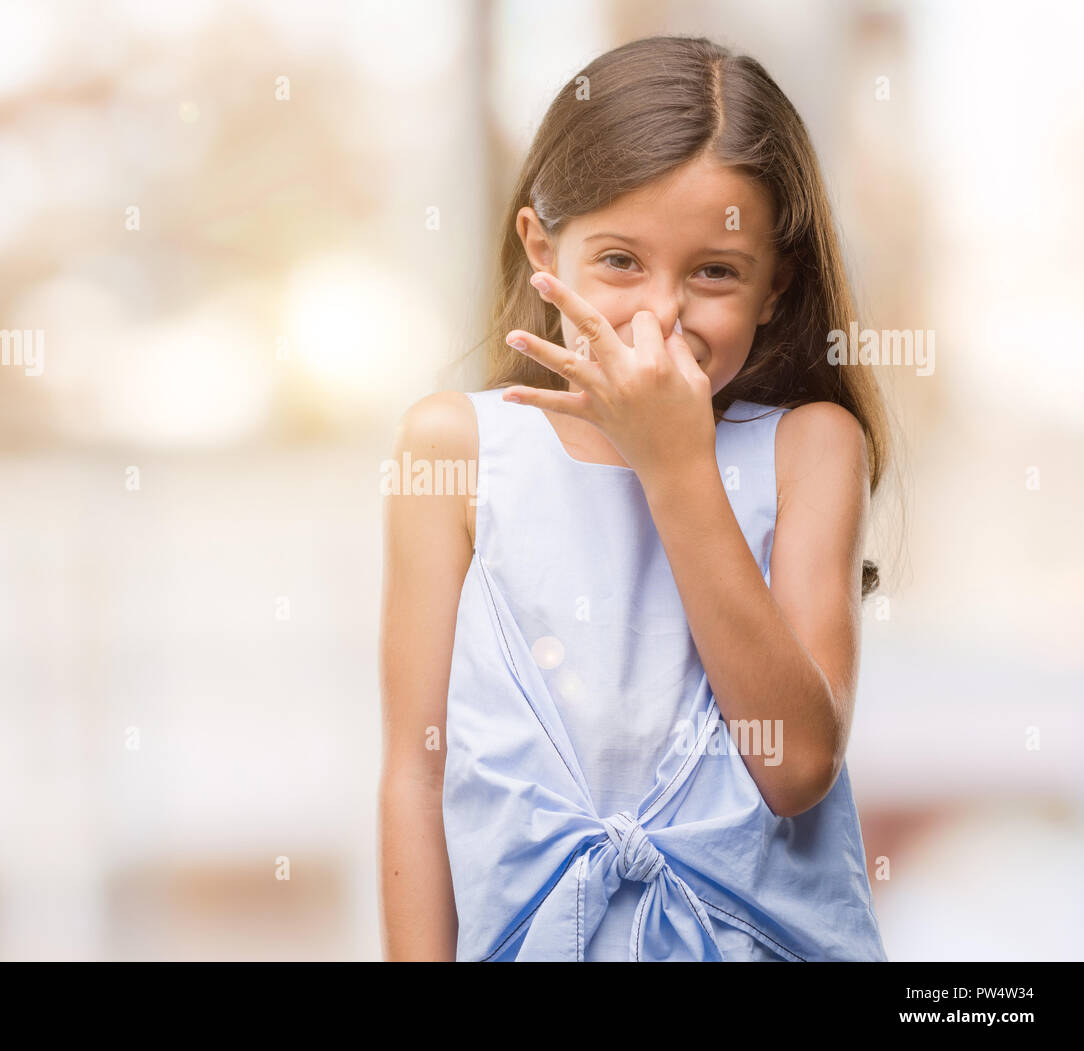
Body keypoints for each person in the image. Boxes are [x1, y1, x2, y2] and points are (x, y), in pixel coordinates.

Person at [379, 34, 891, 961]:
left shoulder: (810, 447)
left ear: (774, 286)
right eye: (619, 260)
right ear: (543, 246)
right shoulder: (455, 447)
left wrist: (676, 466)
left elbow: (797, 766)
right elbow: (418, 768)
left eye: (715, 272)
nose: (659, 315)